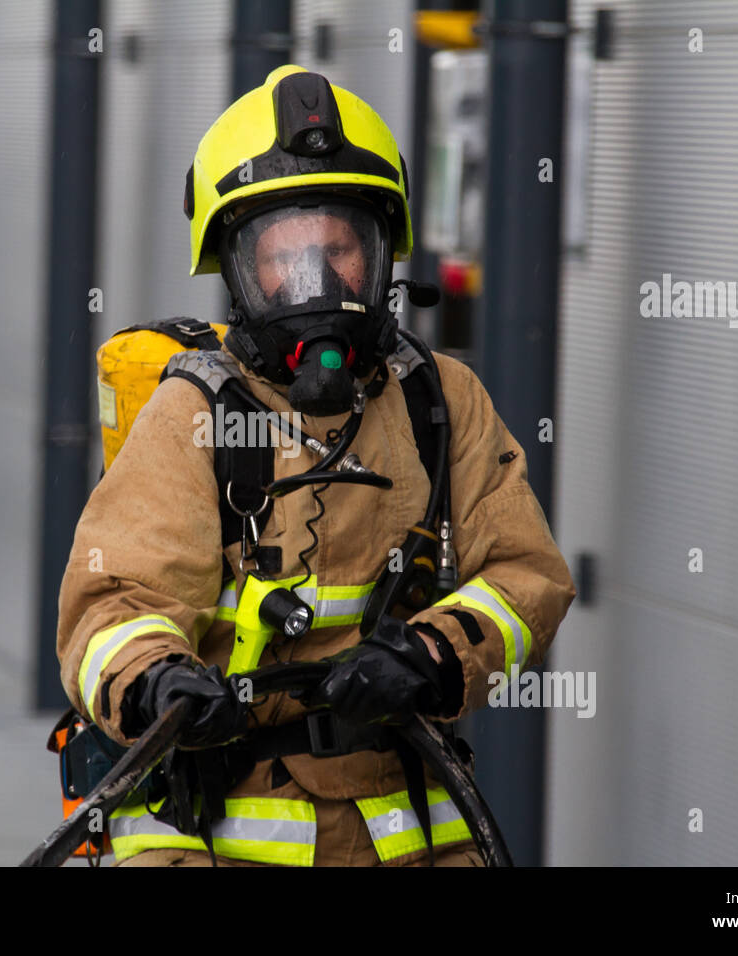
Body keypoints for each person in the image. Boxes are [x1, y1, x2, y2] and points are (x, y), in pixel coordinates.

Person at [56, 64, 576, 867]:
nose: (317, 283)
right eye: (284, 257)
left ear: (383, 256)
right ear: (235, 271)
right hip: (208, 833)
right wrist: (159, 681)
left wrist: (432, 655)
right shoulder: (194, 413)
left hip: (406, 827)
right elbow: (114, 598)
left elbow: (525, 574)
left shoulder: (441, 401)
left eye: (340, 249)